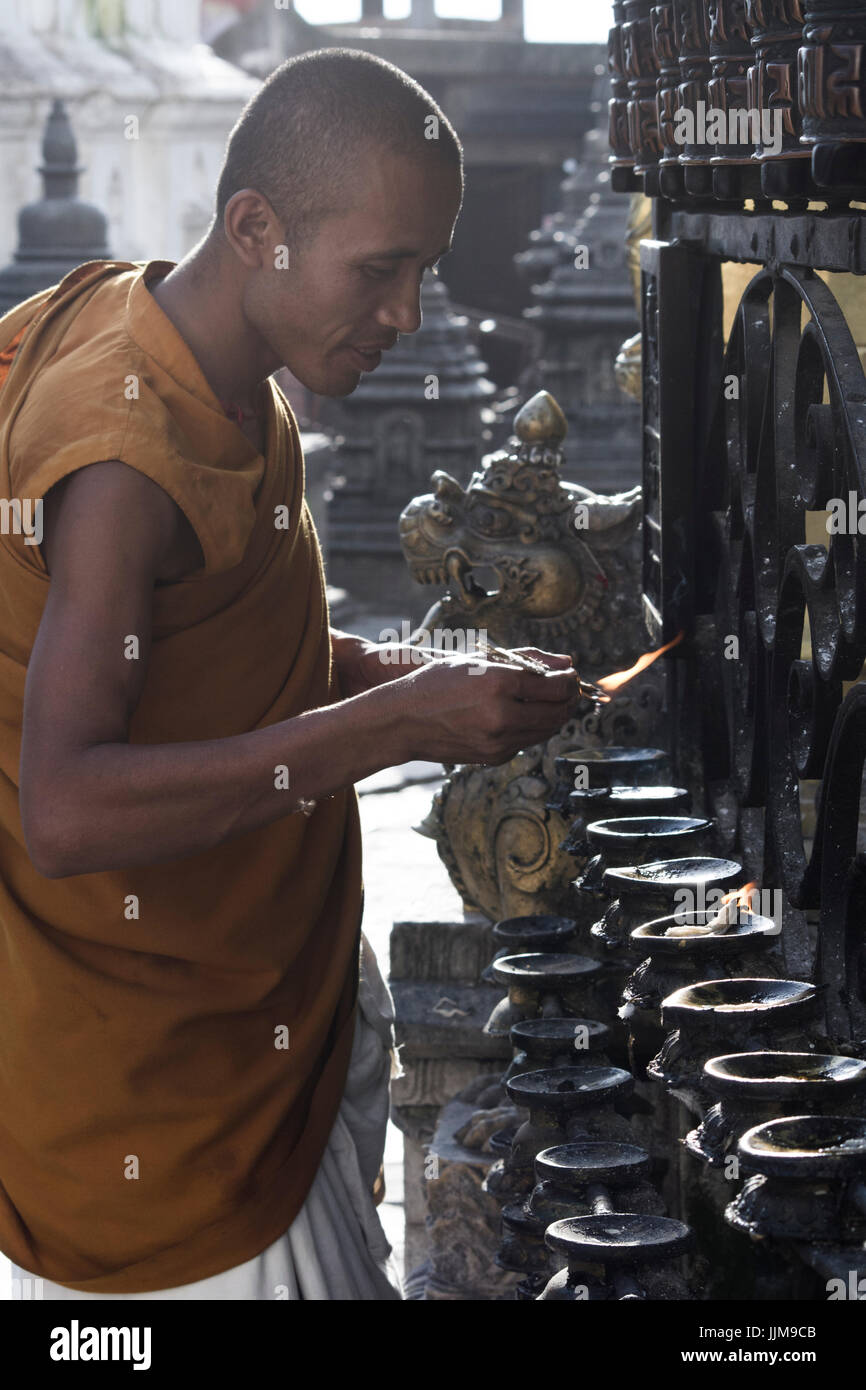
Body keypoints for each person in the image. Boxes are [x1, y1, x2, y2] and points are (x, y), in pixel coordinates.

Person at [0, 48, 581, 1300]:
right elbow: (66, 808)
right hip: (165, 1109)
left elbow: (235, 668)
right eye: (379, 270)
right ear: (255, 228)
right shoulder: (124, 464)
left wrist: (430, 679)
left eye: (421, 269)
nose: (409, 315)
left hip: (268, 1015)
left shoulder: (191, 347)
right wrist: (387, 726)